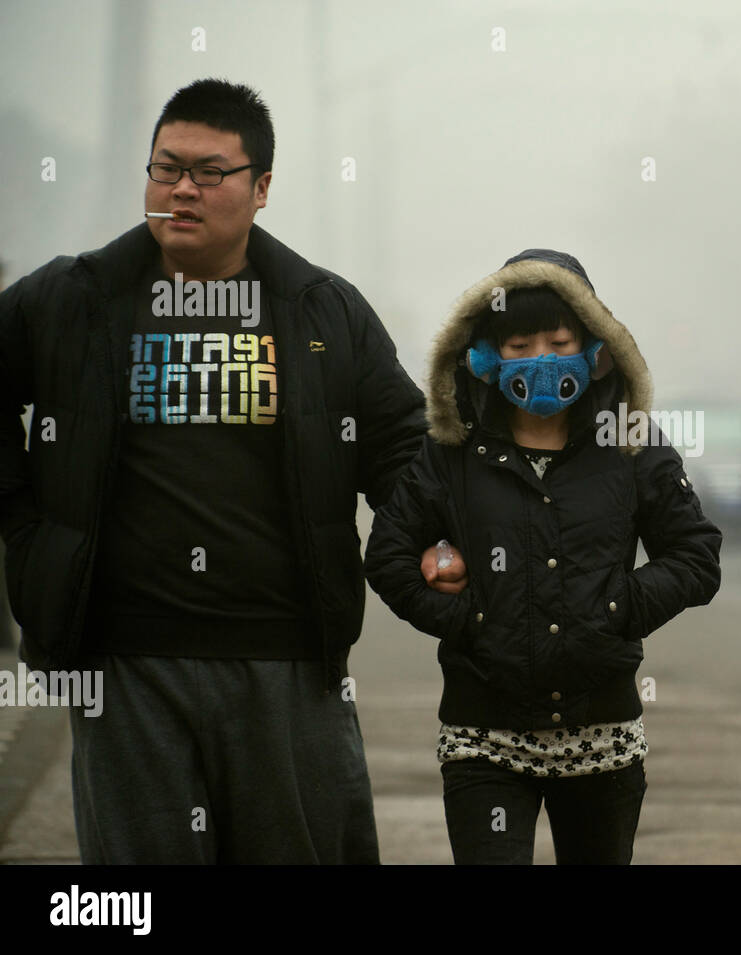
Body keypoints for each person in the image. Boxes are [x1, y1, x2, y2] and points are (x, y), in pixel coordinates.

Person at [0, 79, 429, 863]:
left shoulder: (320, 310)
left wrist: (434, 544)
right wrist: (27, 531)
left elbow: (402, 446)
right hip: (126, 659)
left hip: (287, 657)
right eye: (165, 169)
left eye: (209, 172)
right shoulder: (73, 299)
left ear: (262, 188)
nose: (182, 190)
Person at [363, 249, 723, 864]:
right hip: (483, 738)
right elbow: (390, 558)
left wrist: (619, 607)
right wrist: (468, 620)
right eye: (520, 345)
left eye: (559, 340)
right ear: (483, 357)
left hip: (602, 736)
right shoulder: (450, 453)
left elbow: (695, 555)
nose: (542, 360)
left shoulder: (629, 444)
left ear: (596, 349)